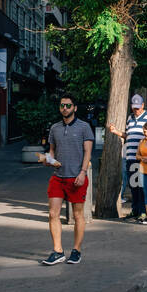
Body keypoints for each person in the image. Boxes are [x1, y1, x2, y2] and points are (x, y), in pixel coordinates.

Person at [42, 93, 94, 264]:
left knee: (78, 215)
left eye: (68, 105)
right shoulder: (55, 128)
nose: (64, 108)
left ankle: (76, 250)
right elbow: (52, 150)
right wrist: (48, 160)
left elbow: (87, 152)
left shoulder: (84, 127)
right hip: (58, 177)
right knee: (52, 213)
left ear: (75, 108)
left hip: (76, 177)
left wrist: (83, 172)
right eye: (62, 105)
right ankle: (58, 251)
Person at [108, 93, 147, 223]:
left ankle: (143, 212)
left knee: (142, 185)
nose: (136, 110)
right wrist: (116, 132)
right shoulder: (130, 118)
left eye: (138, 107)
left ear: (142, 105)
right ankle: (135, 210)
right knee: (133, 185)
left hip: (142, 157)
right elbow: (127, 135)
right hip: (130, 156)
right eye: (134, 107)